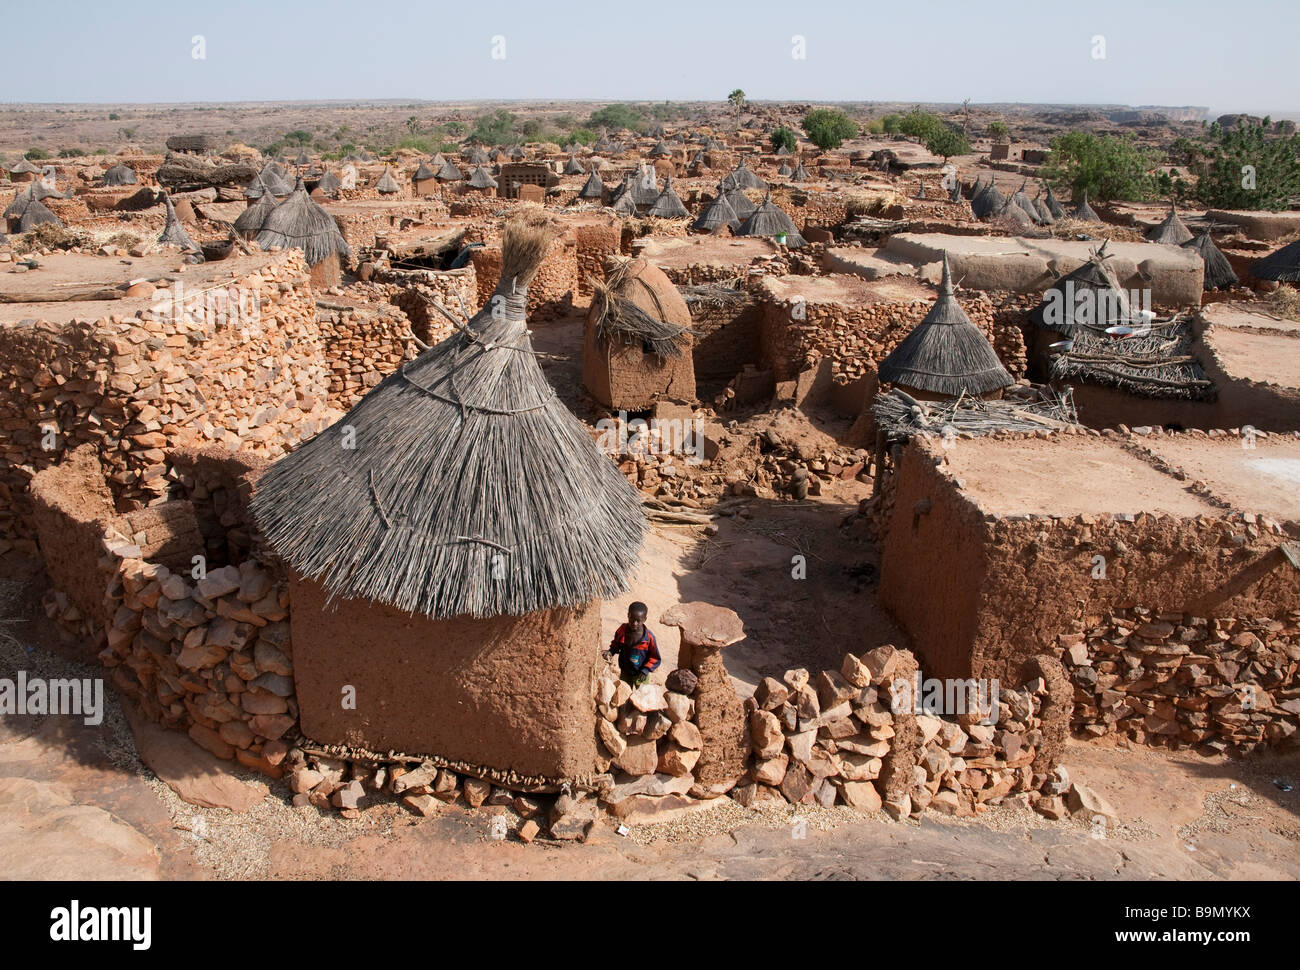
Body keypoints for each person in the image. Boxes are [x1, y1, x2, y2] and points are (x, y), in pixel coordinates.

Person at [606, 601, 660, 687]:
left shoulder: (648, 638)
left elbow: (655, 658)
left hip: (641, 674)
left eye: (638, 621)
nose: (635, 623)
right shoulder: (623, 630)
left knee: (640, 696)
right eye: (632, 619)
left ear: (645, 619)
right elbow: (616, 644)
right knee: (624, 692)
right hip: (625, 670)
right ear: (628, 615)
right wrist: (610, 652)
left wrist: (645, 670)